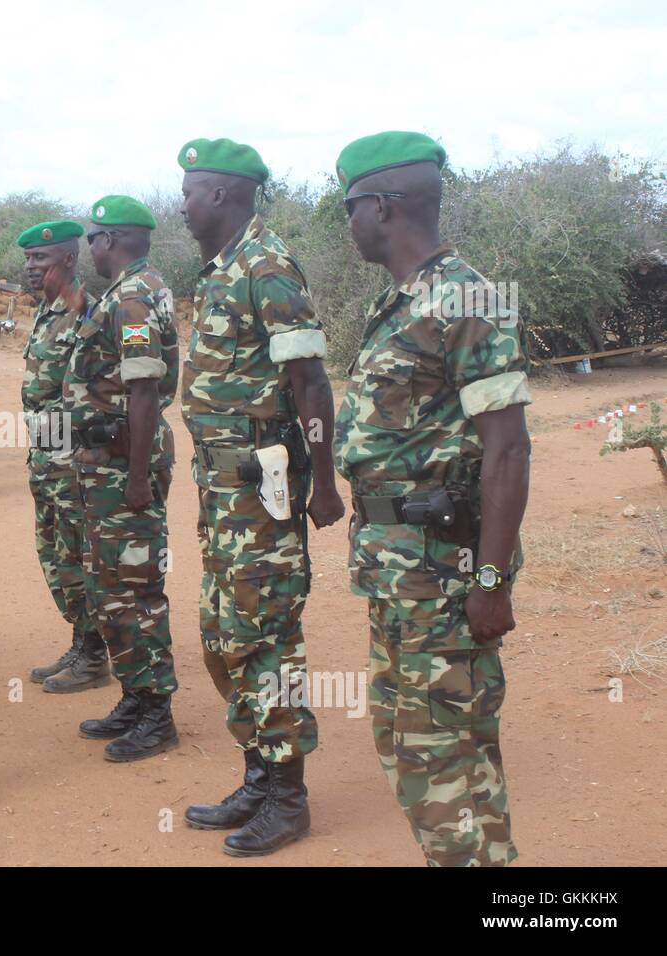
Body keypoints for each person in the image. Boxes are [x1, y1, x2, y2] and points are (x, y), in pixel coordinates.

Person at [333, 131, 530, 866]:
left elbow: (508, 449)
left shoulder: (466, 298)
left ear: (380, 205)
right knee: (417, 746)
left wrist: (489, 580)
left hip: (444, 574)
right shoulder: (402, 301)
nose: (347, 224)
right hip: (398, 570)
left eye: (349, 207)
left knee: (439, 759)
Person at [175, 138, 346, 856]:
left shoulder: (267, 267)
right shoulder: (222, 269)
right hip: (222, 492)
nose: (181, 203)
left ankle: (288, 796)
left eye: (189, 189)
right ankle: (257, 772)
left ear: (221, 194)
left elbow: (310, 381)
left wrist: (326, 479)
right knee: (223, 638)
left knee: (263, 637)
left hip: (263, 493)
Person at [63, 195, 180, 761]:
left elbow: (143, 390)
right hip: (105, 465)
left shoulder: (132, 297)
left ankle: (156, 712)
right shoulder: (129, 290)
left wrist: (136, 477)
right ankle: (136, 697)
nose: (90, 248)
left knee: (133, 590)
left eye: (92, 239)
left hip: (122, 466)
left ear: (109, 240)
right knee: (110, 587)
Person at [17, 220, 109, 693]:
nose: (31, 268)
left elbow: (87, 395)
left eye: (41, 260)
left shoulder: (86, 312)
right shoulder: (49, 311)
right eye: (29, 259)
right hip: (46, 456)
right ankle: (80, 642)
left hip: (72, 459)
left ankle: (94, 656)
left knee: (81, 556)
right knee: (57, 557)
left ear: (69, 260)